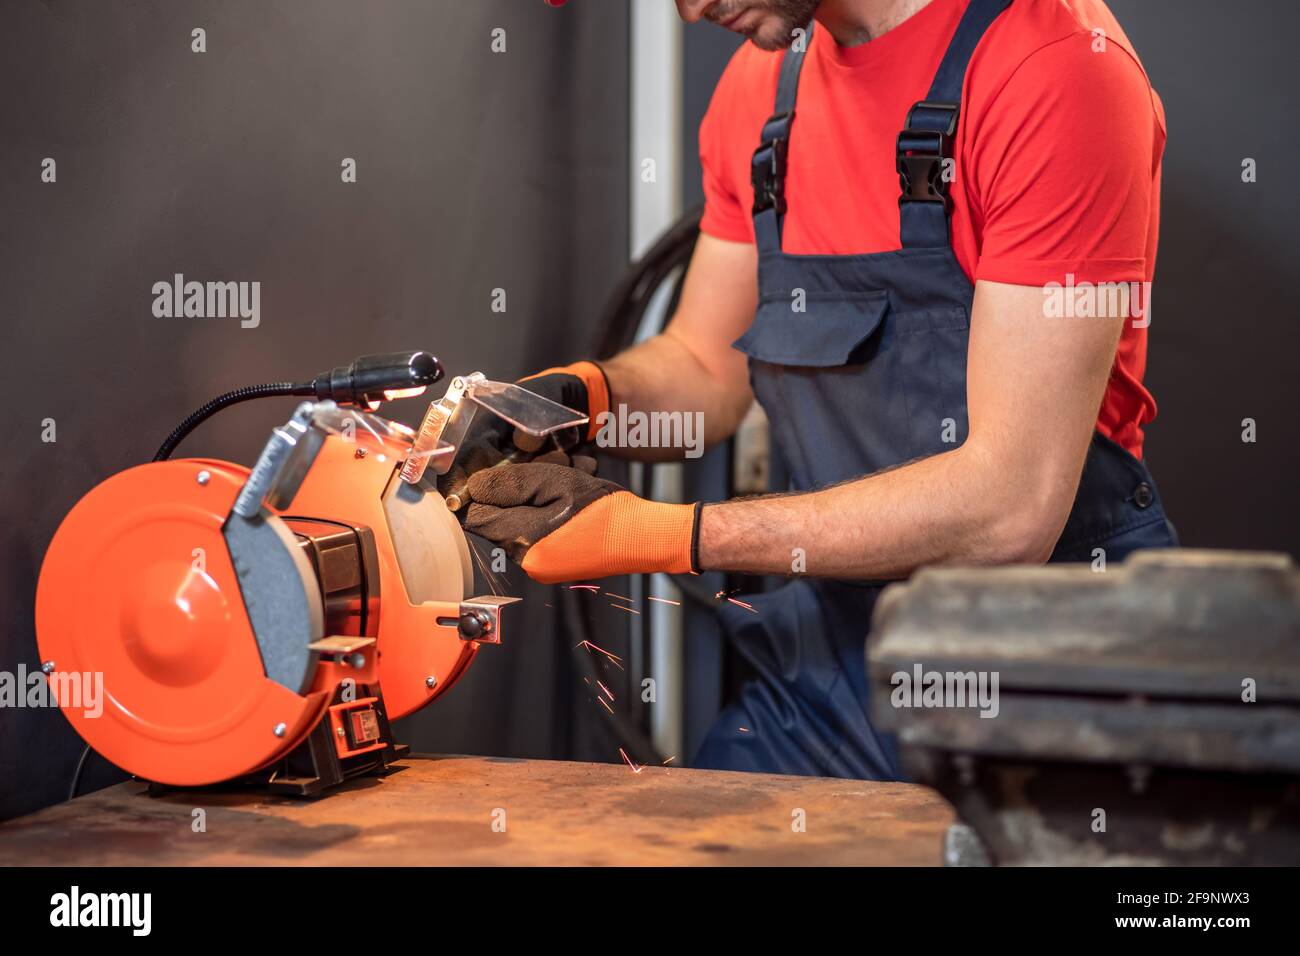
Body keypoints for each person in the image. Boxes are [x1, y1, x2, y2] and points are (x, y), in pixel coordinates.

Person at [452, 0, 1178, 777]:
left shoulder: (1055, 70)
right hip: (827, 678)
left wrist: (666, 535)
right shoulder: (763, 87)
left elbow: (1011, 508)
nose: (690, 9)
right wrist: (578, 400)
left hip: (1042, 687)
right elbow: (706, 368)